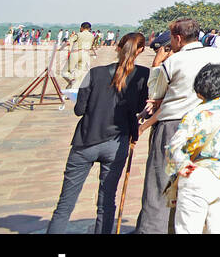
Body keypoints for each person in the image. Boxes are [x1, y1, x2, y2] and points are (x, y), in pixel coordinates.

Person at [47, 33, 150, 234]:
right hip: (117, 144)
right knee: (107, 200)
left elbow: (79, 110)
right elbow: (139, 107)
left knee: (65, 203)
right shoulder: (143, 75)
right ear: (140, 51)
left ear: (117, 48)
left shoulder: (95, 73)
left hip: (86, 141)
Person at [134, 19, 220, 234]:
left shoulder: (174, 61)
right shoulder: (217, 55)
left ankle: (152, 229)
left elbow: (154, 94)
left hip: (173, 126)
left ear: (177, 38)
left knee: (160, 182)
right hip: (208, 127)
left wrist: (157, 65)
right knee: (193, 181)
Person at [166, 64, 220, 234]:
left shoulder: (196, 114)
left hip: (198, 173)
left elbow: (175, 148)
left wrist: (180, 167)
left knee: (188, 228)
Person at [62, 22, 97, 89]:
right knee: (78, 73)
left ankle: (71, 80)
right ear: (89, 29)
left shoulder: (78, 34)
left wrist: (61, 48)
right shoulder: (92, 36)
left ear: (82, 27)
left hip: (76, 53)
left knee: (65, 72)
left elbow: (69, 42)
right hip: (85, 54)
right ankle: (71, 89)